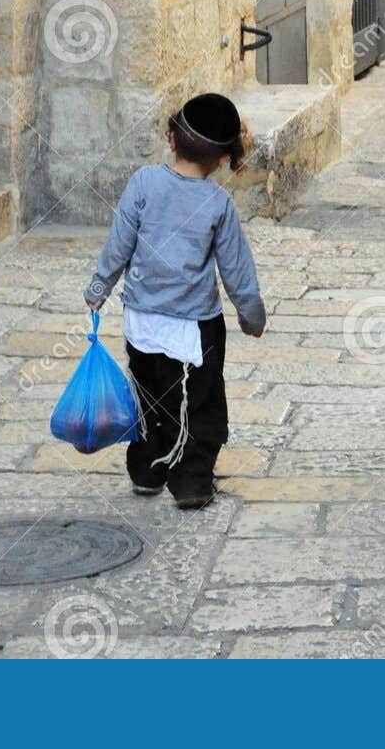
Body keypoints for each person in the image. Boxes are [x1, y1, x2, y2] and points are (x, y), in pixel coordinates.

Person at [83, 92, 266, 510]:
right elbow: (237, 271)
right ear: (223, 159)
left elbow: (119, 243)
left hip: (142, 321)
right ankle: (191, 482)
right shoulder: (218, 203)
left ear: (171, 138)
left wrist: (99, 287)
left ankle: (147, 470)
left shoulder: (143, 183)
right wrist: (251, 316)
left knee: (148, 395)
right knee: (199, 404)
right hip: (195, 328)